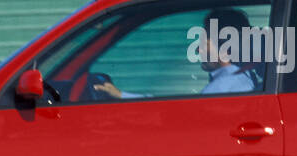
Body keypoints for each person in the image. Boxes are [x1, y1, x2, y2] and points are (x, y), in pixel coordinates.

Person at [93, 7, 258, 99]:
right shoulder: (243, 80)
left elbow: (178, 114)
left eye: (204, 42)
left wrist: (121, 95)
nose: (198, 49)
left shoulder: (222, 88)